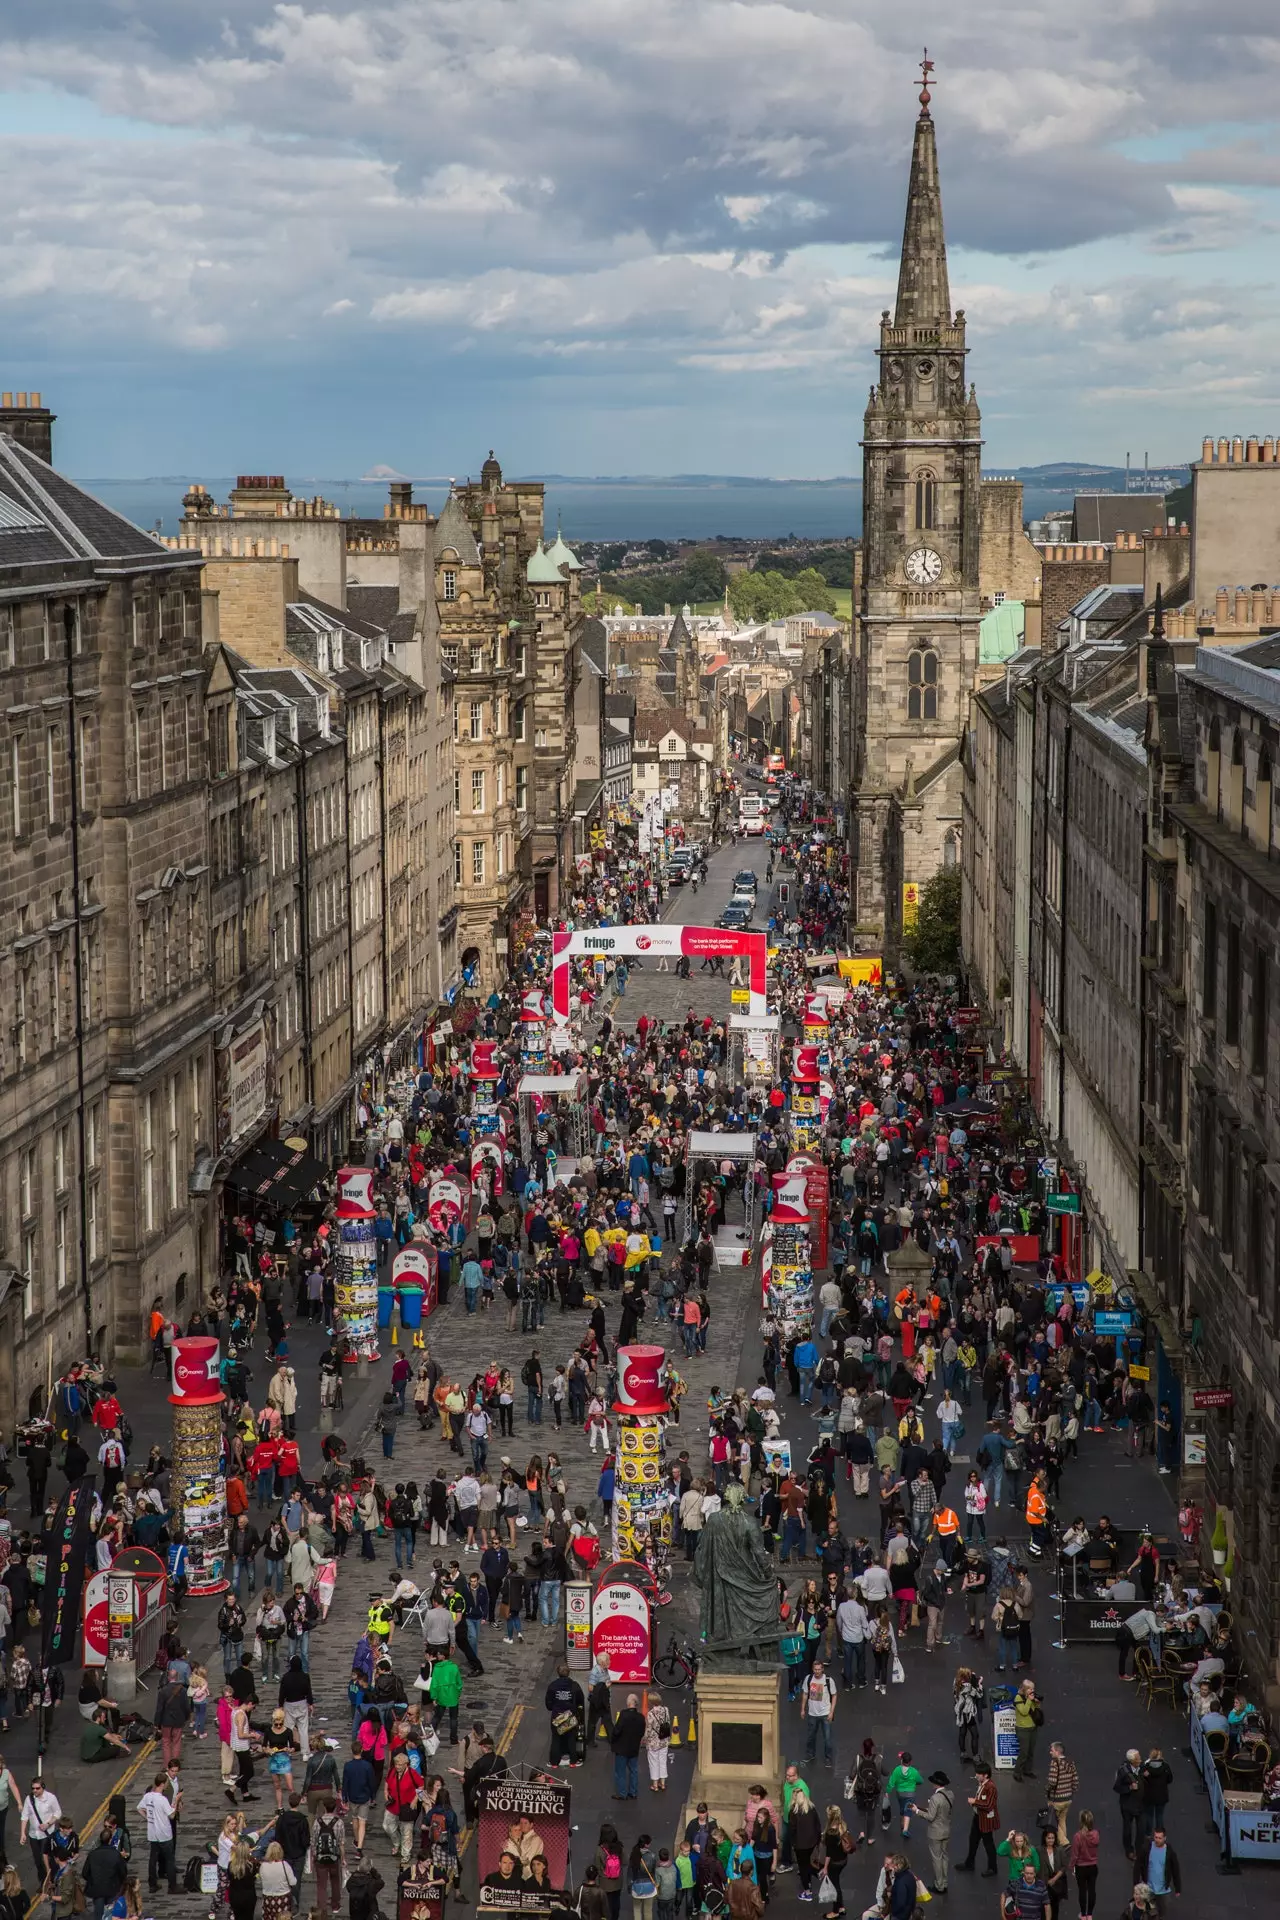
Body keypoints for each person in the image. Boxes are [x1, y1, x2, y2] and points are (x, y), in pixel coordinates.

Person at [136, 1775, 178, 1894]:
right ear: (163, 1784)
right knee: (169, 1860)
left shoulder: (148, 1796)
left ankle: (152, 1884)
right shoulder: (162, 1799)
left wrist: (148, 1818)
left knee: (152, 1859)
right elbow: (172, 1815)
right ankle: (172, 1886)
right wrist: (176, 1801)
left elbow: (139, 1808)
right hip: (164, 1833)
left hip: (152, 1832)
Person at [955, 1759, 998, 1875]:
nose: (976, 1776)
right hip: (978, 1817)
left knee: (988, 1843)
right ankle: (969, 1863)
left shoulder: (991, 1787)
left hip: (985, 1819)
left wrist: (975, 1801)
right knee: (973, 1840)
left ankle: (993, 1868)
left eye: (978, 1774)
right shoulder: (982, 1785)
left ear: (985, 1775)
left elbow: (989, 1805)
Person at [800, 1659, 836, 1766]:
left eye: (819, 1669)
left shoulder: (829, 1680)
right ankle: (810, 1754)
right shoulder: (808, 1679)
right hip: (812, 1713)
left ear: (822, 1669)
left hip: (825, 1713)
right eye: (815, 1669)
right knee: (811, 1736)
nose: (817, 1671)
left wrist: (831, 1712)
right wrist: (802, 1709)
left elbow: (834, 1696)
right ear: (812, 1669)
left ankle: (828, 1758)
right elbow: (805, 1694)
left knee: (827, 1738)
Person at [1133, 1828, 1180, 1910]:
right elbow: (1137, 1866)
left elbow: (1175, 1870)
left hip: (1163, 1890)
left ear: (1165, 1838)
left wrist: (1178, 1888)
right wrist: (1136, 1883)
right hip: (1148, 1888)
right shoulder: (1147, 1849)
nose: (1157, 1840)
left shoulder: (1170, 1853)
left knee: (1162, 1911)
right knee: (1148, 1912)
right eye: (1156, 1837)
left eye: (1159, 1838)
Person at [611, 1693, 646, 1801]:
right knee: (633, 1771)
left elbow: (617, 1730)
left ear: (628, 1703)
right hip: (634, 1748)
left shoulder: (623, 1714)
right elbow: (641, 1732)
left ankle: (622, 1794)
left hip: (622, 1748)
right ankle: (633, 1792)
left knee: (620, 1772)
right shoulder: (641, 1717)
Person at [923, 1771, 952, 1895]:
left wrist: (917, 1811)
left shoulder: (935, 1798)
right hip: (946, 1829)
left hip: (935, 1832)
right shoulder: (950, 1794)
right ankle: (944, 1883)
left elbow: (930, 1817)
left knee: (937, 1859)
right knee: (944, 1856)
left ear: (935, 1783)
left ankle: (939, 1885)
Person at [788, 1789, 820, 1900]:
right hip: (811, 1843)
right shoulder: (812, 1809)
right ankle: (815, 1876)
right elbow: (818, 1825)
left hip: (800, 1845)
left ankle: (807, 1892)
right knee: (809, 1863)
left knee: (803, 1868)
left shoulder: (793, 1812)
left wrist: (793, 1844)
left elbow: (792, 1830)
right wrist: (817, 1841)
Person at [1068, 1810, 1099, 1920]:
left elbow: (1075, 1854)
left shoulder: (1077, 1836)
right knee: (1092, 1890)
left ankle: (1083, 1914)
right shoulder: (1096, 1834)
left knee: (1082, 1891)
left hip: (1081, 1867)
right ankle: (1090, 1914)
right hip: (1093, 1866)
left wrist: (1071, 1867)